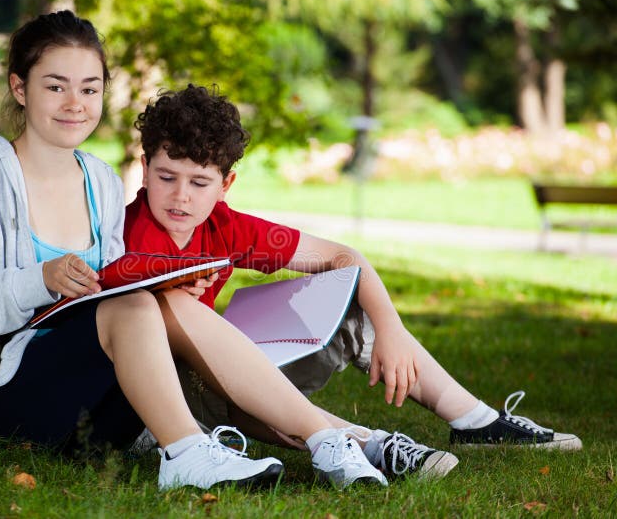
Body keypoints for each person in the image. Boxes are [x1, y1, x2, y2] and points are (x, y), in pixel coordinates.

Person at [0, 10, 416, 493]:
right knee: (137, 304)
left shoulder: (98, 179)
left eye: (90, 88)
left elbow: (111, 285)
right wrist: (40, 277)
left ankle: (326, 440)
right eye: (55, 86)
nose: (75, 103)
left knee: (159, 300)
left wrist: (167, 282)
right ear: (20, 88)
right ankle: (188, 452)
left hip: (106, 408)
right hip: (15, 396)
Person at [123, 84, 583, 458]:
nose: (181, 196)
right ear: (145, 170)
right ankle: (369, 445)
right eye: (167, 177)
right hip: (171, 390)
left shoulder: (227, 227)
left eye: (199, 182)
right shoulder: (124, 232)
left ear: (226, 185)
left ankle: (476, 421)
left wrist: (392, 328)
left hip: (231, 367)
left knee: (354, 309)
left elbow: (346, 259)